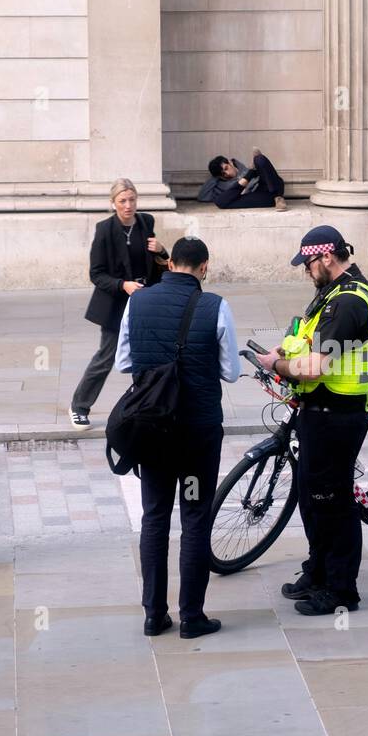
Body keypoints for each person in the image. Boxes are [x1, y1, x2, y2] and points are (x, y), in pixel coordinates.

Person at [255, 225, 368, 616]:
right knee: (313, 497)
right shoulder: (336, 292)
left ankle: (342, 590)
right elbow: (312, 339)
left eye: (308, 264)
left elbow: (314, 367)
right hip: (321, 412)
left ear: (326, 257)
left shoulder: (348, 304)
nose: (306, 271)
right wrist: (285, 348)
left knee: (333, 501)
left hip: (337, 415)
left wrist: (275, 364)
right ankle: (318, 569)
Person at [116, 237, 237, 639]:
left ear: (170, 266)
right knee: (195, 517)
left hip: (153, 429)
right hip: (198, 431)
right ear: (204, 267)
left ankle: (153, 614)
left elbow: (124, 362)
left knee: (154, 517)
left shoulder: (138, 301)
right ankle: (192, 616)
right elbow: (231, 370)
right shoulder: (215, 306)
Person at [70, 178, 169, 428]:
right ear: (113, 203)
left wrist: (161, 250)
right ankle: (79, 406)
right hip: (116, 303)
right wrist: (122, 285)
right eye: (122, 201)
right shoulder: (105, 230)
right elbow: (96, 273)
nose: (128, 205)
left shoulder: (146, 222)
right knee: (106, 356)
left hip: (143, 301)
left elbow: (158, 264)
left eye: (132, 200)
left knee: (148, 357)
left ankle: (146, 405)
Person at [198, 148, 288, 210]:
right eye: (223, 174)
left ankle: (278, 197)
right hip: (256, 198)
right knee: (219, 201)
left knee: (259, 159)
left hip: (269, 190)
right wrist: (215, 177)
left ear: (230, 162)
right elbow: (202, 196)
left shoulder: (245, 169)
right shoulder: (221, 184)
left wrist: (251, 171)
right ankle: (248, 177)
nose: (227, 174)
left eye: (226, 168)